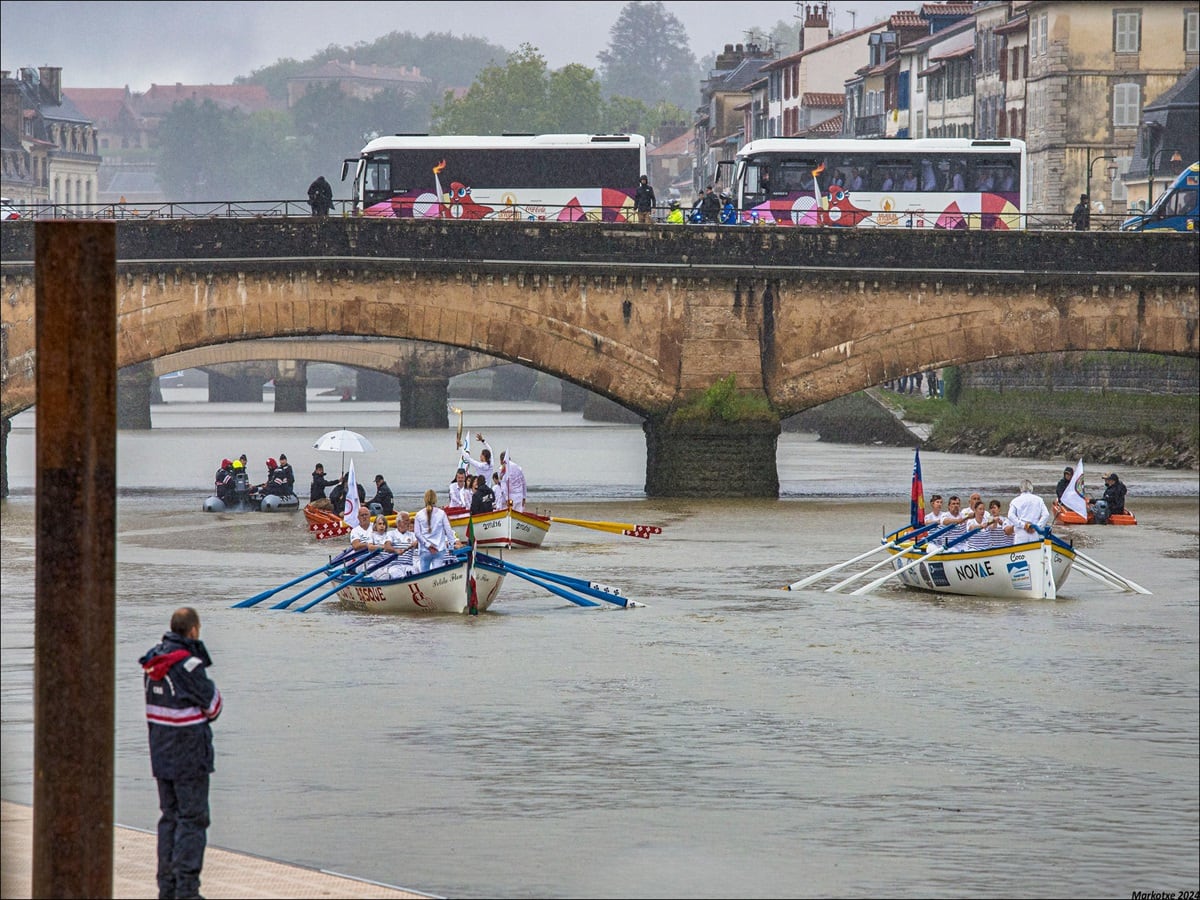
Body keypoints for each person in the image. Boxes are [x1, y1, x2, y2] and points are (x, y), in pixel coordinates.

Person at [140, 606, 222, 900]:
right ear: (194, 631)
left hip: (161, 755)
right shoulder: (188, 666)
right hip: (189, 756)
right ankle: (187, 890)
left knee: (169, 818)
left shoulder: (152, 663)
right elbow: (214, 706)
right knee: (192, 820)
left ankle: (167, 888)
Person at [414, 489, 458, 572]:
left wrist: (427, 545)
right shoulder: (441, 513)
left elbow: (417, 533)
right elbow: (448, 530)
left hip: (425, 550)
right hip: (439, 549)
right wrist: (451, 546)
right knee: (436, 573)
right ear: (435, 500)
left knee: (424, 574)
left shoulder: (419, 515)